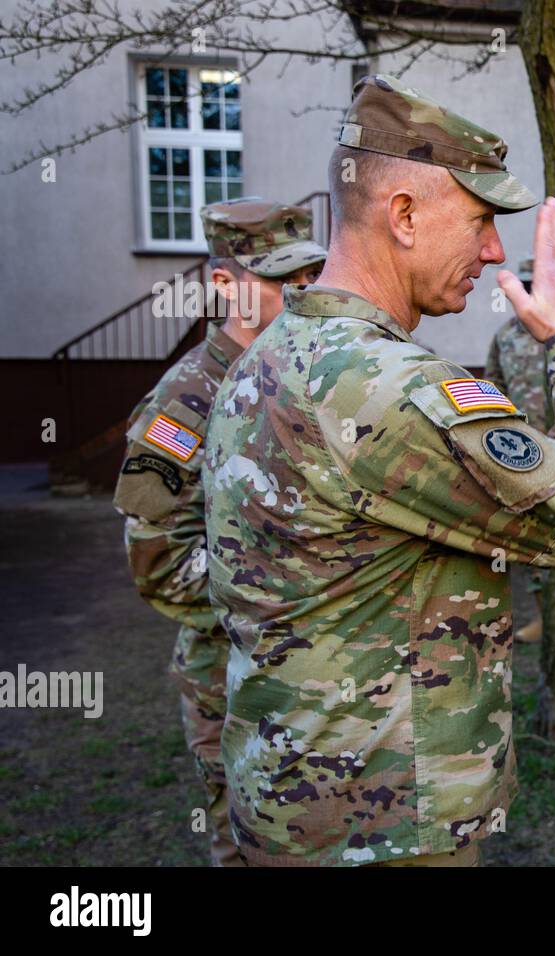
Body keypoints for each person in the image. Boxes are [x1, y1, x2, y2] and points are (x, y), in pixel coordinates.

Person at [201, 74, 555, 867]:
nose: (494, 251)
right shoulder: (389, 389)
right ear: (402, 215)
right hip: (381, 824)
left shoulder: (270, 355)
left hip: (290, 797)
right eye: (479, 221)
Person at [112, 197, 326, 866]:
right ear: (223, 284)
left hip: (307, 683)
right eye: (279, 277)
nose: (300, 291)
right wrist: (286, 583)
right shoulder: (184, 404)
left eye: (306, 275)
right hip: (228, 686)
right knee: (243, 846)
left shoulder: (296, 381)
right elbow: (159, 567)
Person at [483, 258, 548, 643]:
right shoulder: (505, 336)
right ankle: (539, 614)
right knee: (523, 538)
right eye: (524, 285)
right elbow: (491, 388)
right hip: (519, 453)